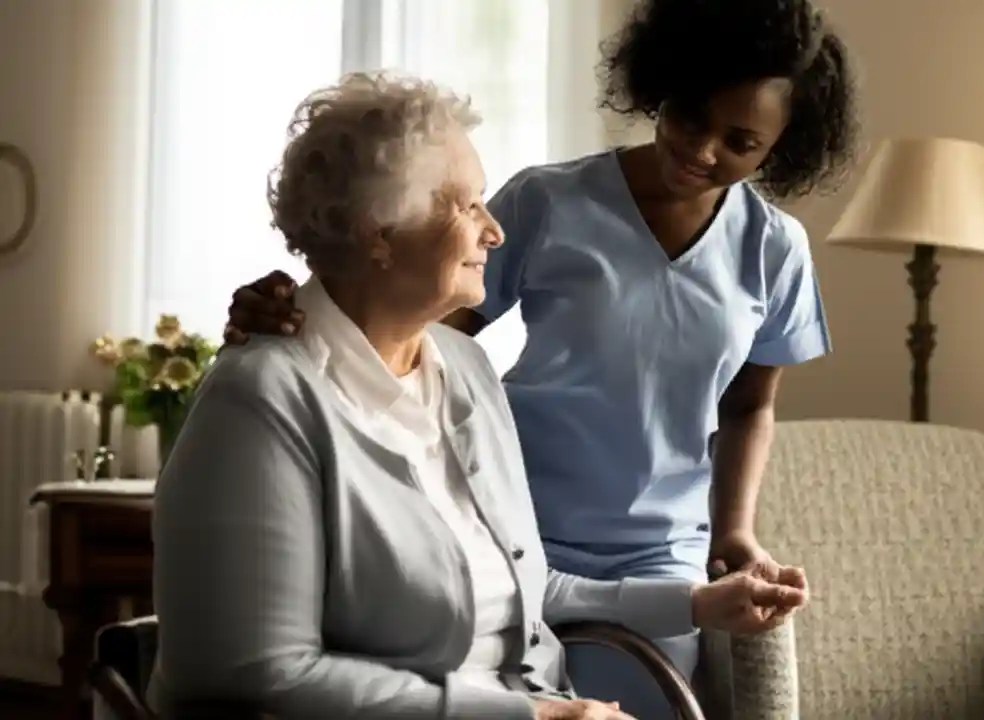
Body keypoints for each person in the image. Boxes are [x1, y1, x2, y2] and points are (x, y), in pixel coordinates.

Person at [224, 0, 859, 715]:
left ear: (779, 150)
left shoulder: (775, 252)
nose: (703, 148)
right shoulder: (548, 200)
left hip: (660, 547)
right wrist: (300, 317)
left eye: (739, 142)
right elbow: (412, 333)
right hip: (509, 513)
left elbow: (749, 406)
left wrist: (735, 529)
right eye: (690, 115)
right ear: (663, 84)